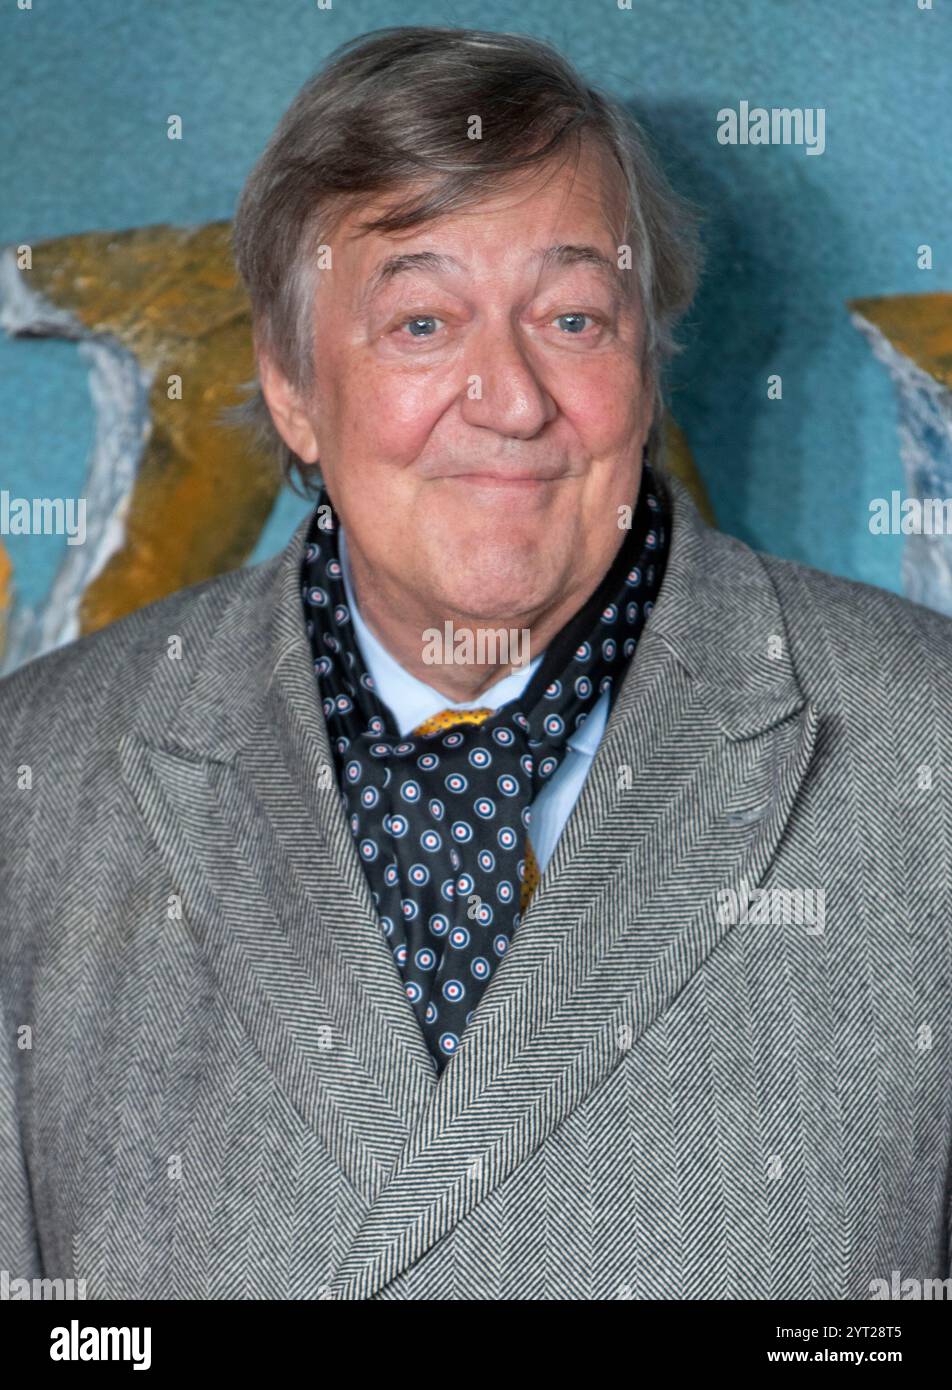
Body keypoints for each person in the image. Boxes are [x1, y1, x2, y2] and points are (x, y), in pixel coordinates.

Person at [2, 26, 950, 1301]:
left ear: (648, 358)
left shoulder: (921, 750)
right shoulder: (37, 785)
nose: (507, 395)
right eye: (422, 319)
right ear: (289, 383)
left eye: (571, 315)